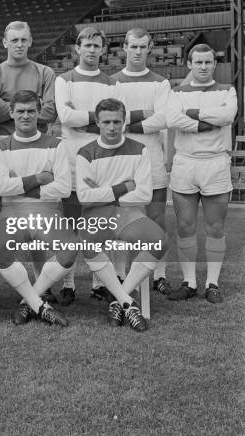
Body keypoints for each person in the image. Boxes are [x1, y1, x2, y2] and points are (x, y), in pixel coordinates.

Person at [76, 98, 165, 332]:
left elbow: (144, 194)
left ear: (124, 121)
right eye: (106, 122)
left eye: (117, 121)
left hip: (128, 213)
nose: (112, 127)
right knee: (88, 243)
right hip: (97, 214)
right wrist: (125, 186)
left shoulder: (139, 149)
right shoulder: (85, 153)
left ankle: (119, 299)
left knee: (160, 242)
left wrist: (104, 192)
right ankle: (128, 303)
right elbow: (85, 198)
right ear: (97, 122)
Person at [0, 20, 57, 302]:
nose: (18, 44)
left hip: (39, 149)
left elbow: (50, 112)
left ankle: (43, 283)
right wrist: (26, 107)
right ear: (5, 43)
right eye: (13, 40)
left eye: (23, 40)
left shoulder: (45, 72)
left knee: (39, 215)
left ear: (30, 42)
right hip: (2, 149)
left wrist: (11, 109)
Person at [0, 90, 73, 327]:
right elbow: (0, 188)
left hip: (47, 212)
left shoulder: (56, 145)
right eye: (21, 111)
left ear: (39, 113)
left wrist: (20, 185)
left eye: (31, 111)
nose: (26, 116)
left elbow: (64, 188)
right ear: (11, 113)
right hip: (12, 212)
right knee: (1, 248)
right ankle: (39, 304)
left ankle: (29, 302)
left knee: (69, 250)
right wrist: (38, 178)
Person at [165, 44, 237, 303]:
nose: (203, 67)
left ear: (214, 64)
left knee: (215, 227)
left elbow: (228, 115)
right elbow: (172, 120)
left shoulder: (228, 90)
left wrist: (192, 115)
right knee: (185, 227)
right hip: (185, 163)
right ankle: (190, 282)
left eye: (208, 62)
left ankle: (212, 283)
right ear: (189, 64)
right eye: (198, 62)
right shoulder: (176, 92)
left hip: (216, 163)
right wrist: (208, 122)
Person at [54, 26, 115, 304]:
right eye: (86, 45)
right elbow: (66, 116)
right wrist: (100, 119)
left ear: (103, 49)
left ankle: (99, 283)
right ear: (77, 48)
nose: (91, 50)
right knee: (70, 226)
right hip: (71, 162)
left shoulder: (111, 83)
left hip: (102, 160)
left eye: (96, 45)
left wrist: (91, 119)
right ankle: (68, 283)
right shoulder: (64, 80)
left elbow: (116, 120)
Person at [112, 27, 171, 294]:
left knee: (157, 219)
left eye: (142, 46)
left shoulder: (161, 82)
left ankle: (159, 275)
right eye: (132, 46)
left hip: (154, 160)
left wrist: (127, 122)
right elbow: (112, 121)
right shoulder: (112, 82)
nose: (137, 51)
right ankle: (120, 274)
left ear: (150, 48)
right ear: (124, 47)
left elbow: (163, 119)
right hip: (123, 161)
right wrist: (144, 114)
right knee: (125, 221)